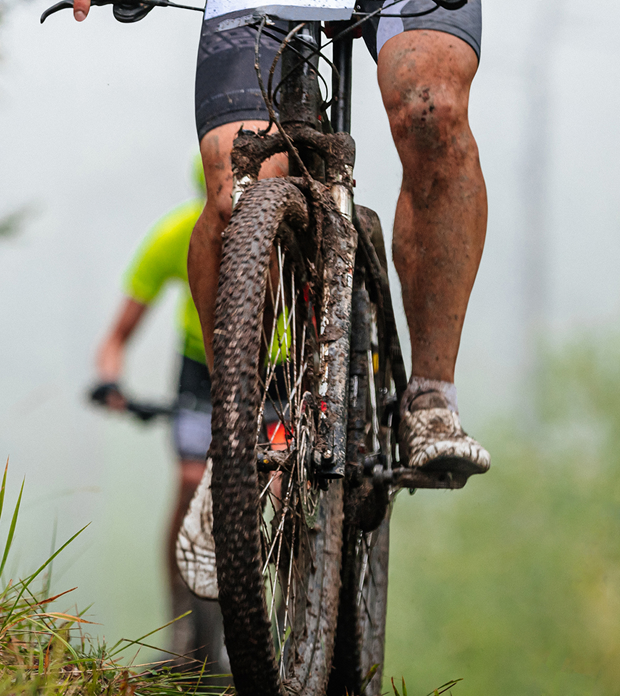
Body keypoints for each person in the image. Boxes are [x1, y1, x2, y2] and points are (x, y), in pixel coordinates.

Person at [75, 0, 491, 583]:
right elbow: (120, 331)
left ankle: (430, 400)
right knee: (234, 184)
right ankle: (235, 441)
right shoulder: (164, 237)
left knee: (433, 111)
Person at [89, 158, 227, 673]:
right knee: (191, 485)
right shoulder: (177, 235)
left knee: (274, 485)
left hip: (276, 365)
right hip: (200, 370)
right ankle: (185, 636)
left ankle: (272, 635)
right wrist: (110, 381)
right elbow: (115, 338)